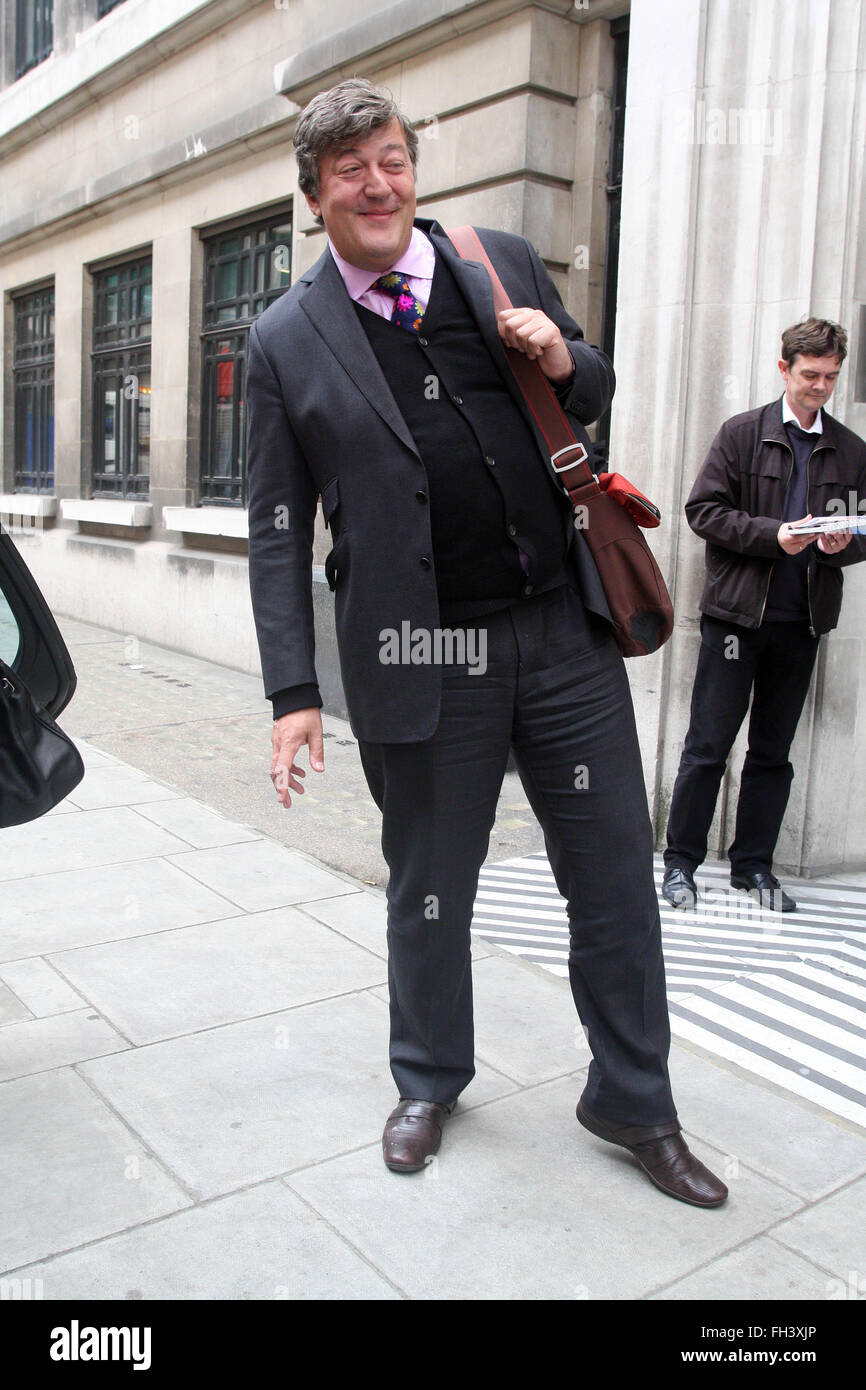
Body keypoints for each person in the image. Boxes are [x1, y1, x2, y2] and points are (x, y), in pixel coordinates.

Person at [246, 78, 727, 1208]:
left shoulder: (491, 253)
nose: (379, 183)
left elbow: (591, 386)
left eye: (393, 158)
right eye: (351, 170)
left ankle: (633, 1100)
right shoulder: (282, 337)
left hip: (560, 636)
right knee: (427, 887)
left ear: (415, 166)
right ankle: (428, 1078)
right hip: (418, 655)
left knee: (613, 878)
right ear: (315, 197)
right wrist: (291, 691)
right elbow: (274, 532)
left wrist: (558, 357)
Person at [663, 319, 866, 914]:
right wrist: (774, 535)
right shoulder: (742, 433)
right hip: (735, 620)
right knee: (707, 747)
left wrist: (839, 545)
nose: (820, 387)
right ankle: (680, 864)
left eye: (830, 377)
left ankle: (753, 865)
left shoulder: (852, 451)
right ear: (784, 369)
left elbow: (859, 531)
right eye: (810, 375)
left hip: (801, 624)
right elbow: (703, 510)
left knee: (773, 753)